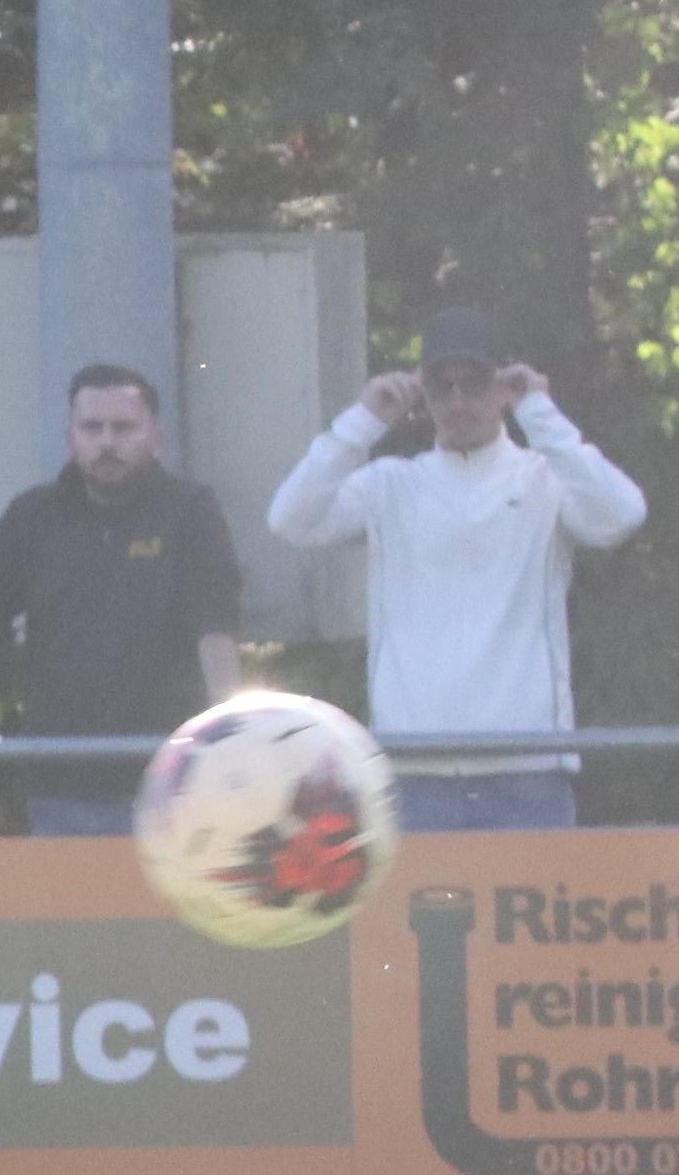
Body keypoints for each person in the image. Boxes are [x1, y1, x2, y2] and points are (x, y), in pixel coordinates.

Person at [268, 306, 649, 831]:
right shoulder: (391, 484)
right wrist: (363, 421)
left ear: (502, 386)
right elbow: (291, 519)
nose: (459, 402)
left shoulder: (544, 478)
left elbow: (622, 514)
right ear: (422, 395)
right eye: (441, 387)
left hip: (528, 767)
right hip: (411, 768)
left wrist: (539, 412)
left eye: (474, 383)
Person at [0, 363, 241, 834]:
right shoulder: (33, 516)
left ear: (156, 438)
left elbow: (215, 622)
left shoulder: (189, 511)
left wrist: (231, 731)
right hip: (58, 780)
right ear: (71, 437)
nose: (107, 441)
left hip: (171, 779)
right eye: (92, 427)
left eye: (123, 427)